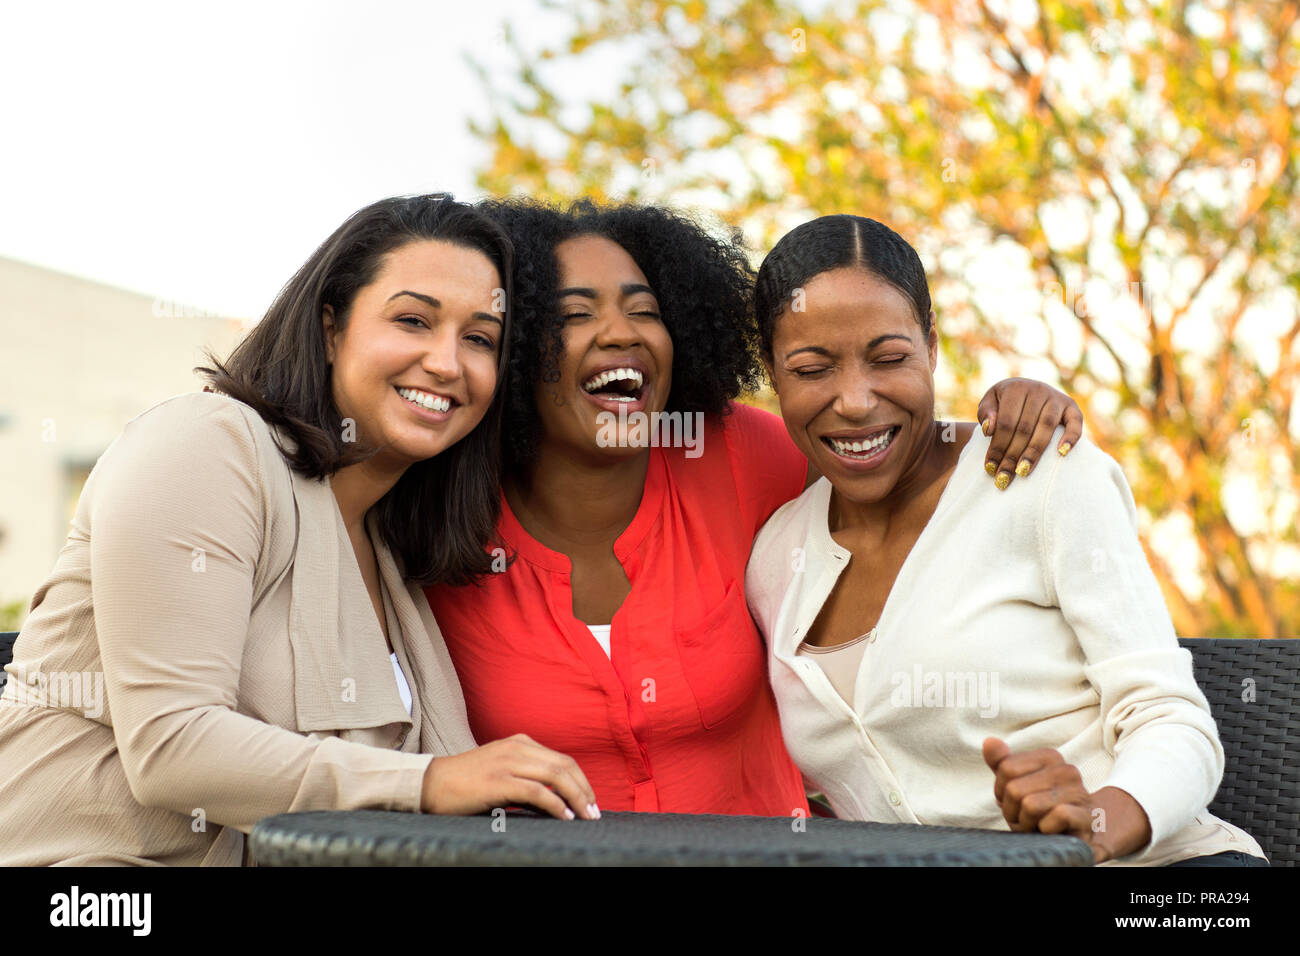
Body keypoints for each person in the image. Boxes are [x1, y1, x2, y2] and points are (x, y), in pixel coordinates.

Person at [426, 198, 1084, 816]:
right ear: (504, 346)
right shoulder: (442, 511)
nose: (619, 332)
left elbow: (898, 463)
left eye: (645, 310)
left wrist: (1012, 411)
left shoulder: (742, 453)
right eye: (573, 316)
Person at [0, 194, 597, 867]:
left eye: (480, 338)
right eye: (412, 320)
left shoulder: (389, 551)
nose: (446, 362)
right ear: (331, 325)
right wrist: (427, 782)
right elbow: (172, 748)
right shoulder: (209, 444)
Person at [745, 214, 1268, 865]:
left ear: (932, 348)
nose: (854, 400)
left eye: (890, 358)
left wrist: (1098, 822)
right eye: (812, 367)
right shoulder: (776, 558)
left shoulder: (1038, 475)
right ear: (772, 373)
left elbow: (1172, 719)